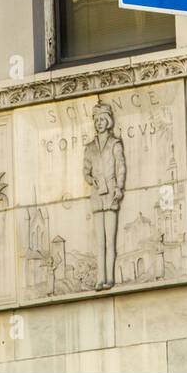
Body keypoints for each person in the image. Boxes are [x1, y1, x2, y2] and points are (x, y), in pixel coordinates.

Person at [83, 102, 126, 291]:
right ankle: (100, 278)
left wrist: (119, 188)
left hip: (111, 194)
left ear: (108, 121)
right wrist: (92, 180)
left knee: (110, 240)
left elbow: (121, 167)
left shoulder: (115, 143)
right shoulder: (90, 147)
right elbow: (85, 171)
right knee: (100, 242)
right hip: (97, 195)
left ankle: (110, 277)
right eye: (96, 120)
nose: (99, 123)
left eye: (102, 119)